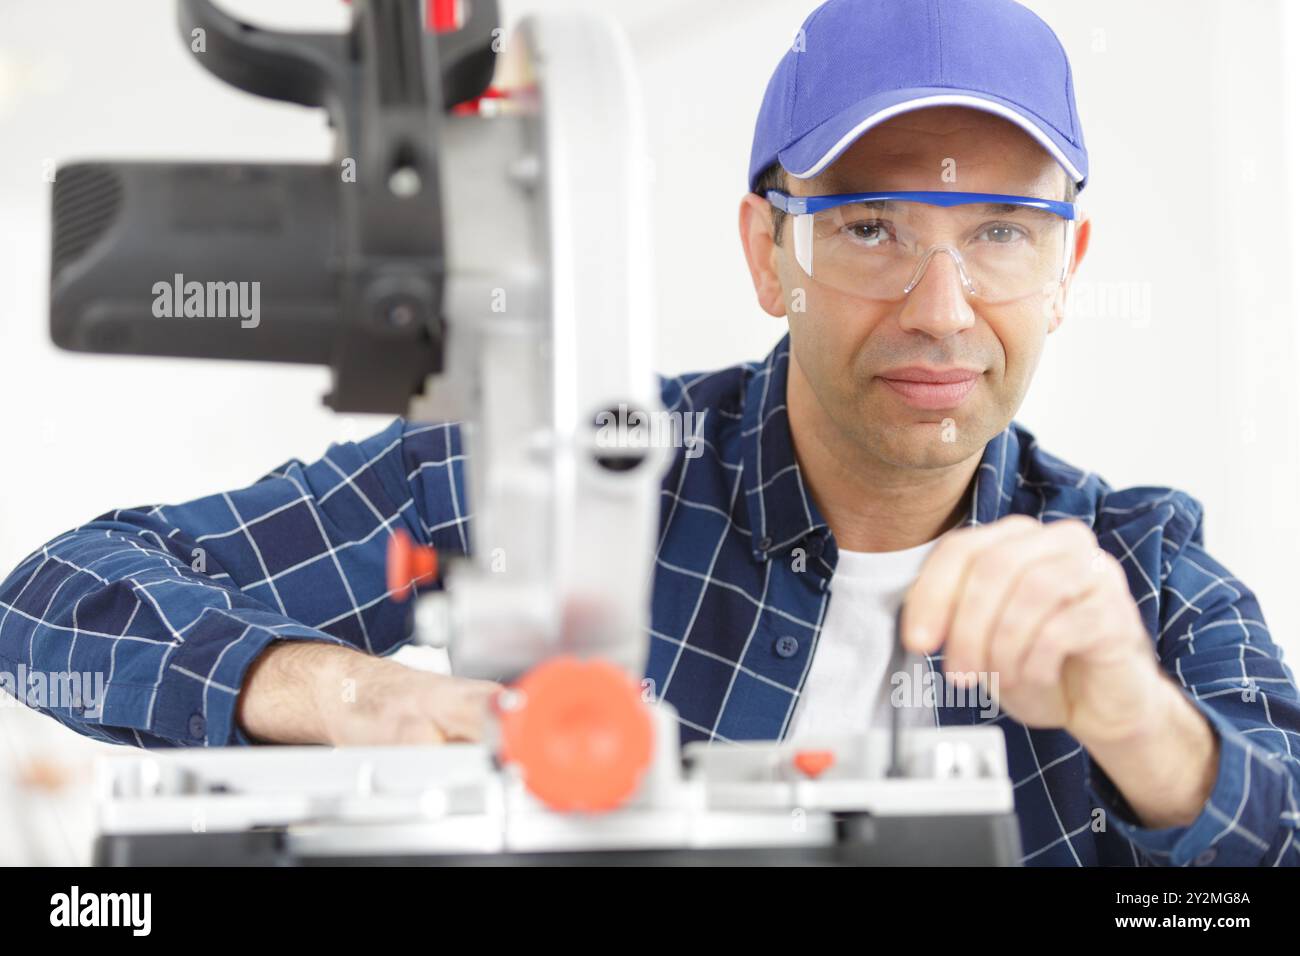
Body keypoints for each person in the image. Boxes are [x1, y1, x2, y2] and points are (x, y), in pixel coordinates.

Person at [3, 0, 1298, 866]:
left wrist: (1149, 734)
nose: (941, 312)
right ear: (766, 250)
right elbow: (49, 600)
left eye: (1003, 234)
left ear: (1071, 270)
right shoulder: (577, 465)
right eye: (870, 228)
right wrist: (338, 692)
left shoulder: (1137, 575)